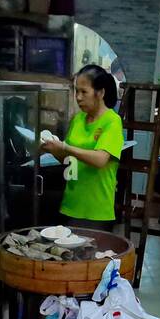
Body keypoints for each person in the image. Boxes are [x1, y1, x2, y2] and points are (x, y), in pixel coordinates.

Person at [41, 64, 124, 229]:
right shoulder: (78, 120)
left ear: (100, 93)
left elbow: (100, 159)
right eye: (76, 91)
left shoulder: (112, 121)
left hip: (95, 211)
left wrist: (65, 146)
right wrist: (52, 148)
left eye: (84, 92)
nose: (78, 97)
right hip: (70, 205)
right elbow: (67, 159)